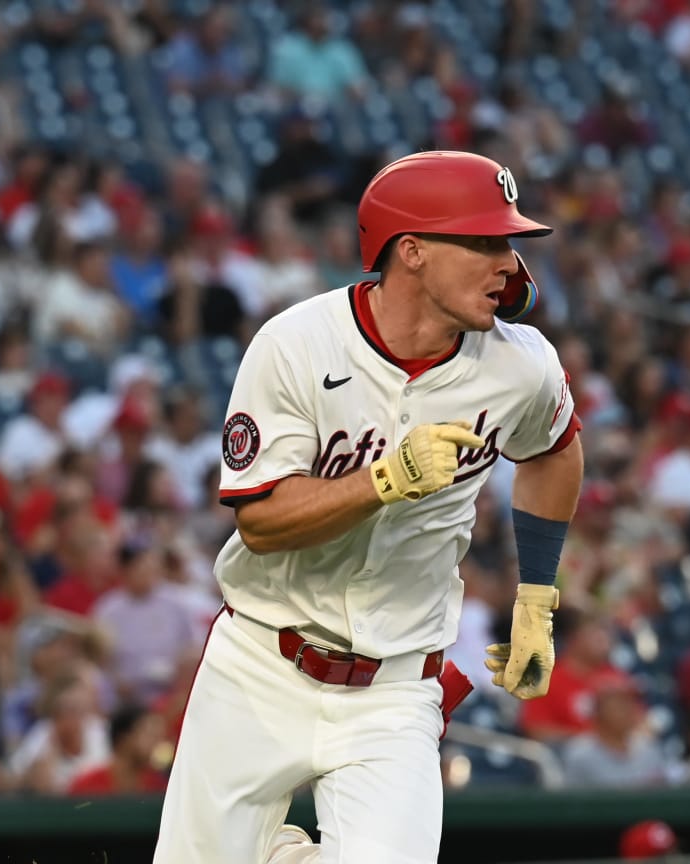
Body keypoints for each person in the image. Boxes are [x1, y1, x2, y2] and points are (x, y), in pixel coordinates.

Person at [154, 151, 584, 863]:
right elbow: (259, 523)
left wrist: (536, 596)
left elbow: (554, 450)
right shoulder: (296, 344)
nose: (507, 263)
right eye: (483, 242)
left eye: (508, 242)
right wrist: (382, 481)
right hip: (261, 661)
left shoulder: (521, 363)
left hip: (394, 685)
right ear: (410, 252)